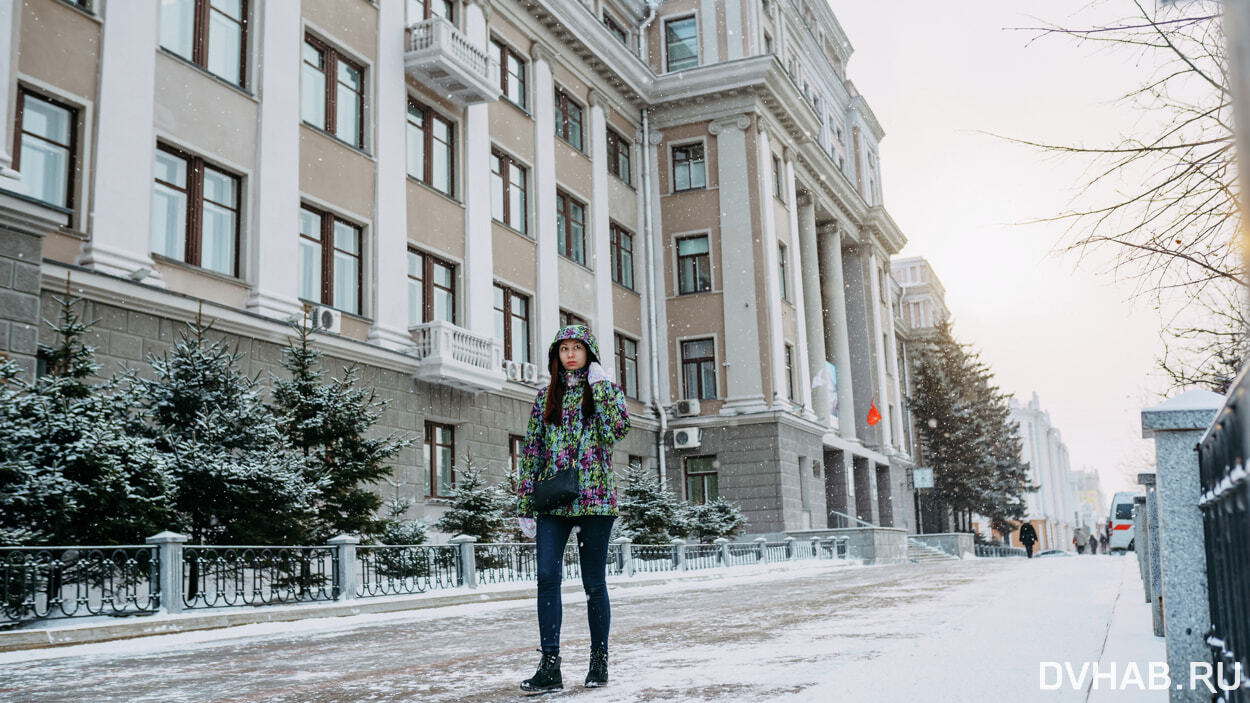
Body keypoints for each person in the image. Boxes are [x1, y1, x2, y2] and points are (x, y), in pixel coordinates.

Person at [516, 325, 630, 692]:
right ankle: (550, 665)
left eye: (576, 347)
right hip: (554, 501)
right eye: (563, 348)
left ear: (588, 353)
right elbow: (532, 451)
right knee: (547, 579)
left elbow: (618, 429)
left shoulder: (605, 392)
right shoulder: (543, 398)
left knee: (594, 583)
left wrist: (600, 387)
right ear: (556, 355)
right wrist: (525, 504)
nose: (569, 354)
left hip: (595, 501)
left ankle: (599, 660)